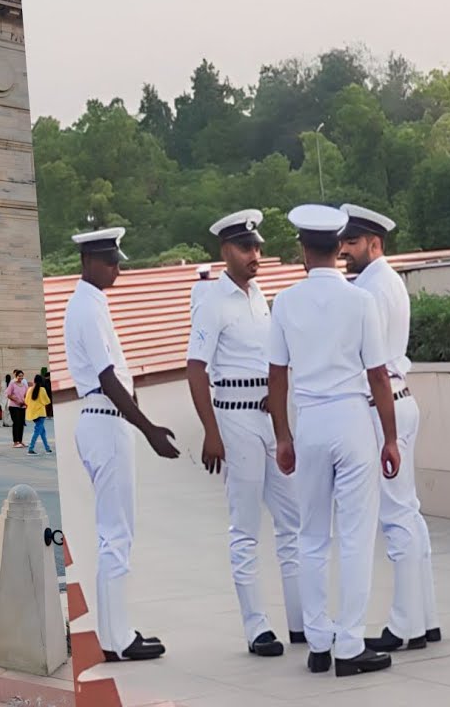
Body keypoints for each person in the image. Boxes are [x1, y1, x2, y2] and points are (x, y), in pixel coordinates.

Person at [267, 204, 398, 677]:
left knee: (311, 536)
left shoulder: (283, 302)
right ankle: (349, 643)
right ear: (339, 248)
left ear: (303, 249)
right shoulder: (360, 301)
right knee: (357, 536)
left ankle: (319, 641)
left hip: (311, 421)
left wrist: (283, 436)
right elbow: (379, 376)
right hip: (350, 417)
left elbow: (276, 378)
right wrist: (391, 438)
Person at [185, 209, 303, 658]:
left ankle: (300, 620)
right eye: (245, 247)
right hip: (233, 416)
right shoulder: (211, 301)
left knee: (292, 520)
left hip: (268, 417)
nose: (255, 254)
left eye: (257, 246)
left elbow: (274, 363)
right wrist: (210, 431)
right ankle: (257, 627)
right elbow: (196, 370)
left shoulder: (260, 295)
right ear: (225, 252)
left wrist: (284, 428)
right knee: (246, 525)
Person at [63, 226, 179, 662]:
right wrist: (148, 430)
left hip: (104, 422)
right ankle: (116, 640)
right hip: (105, 423)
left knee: (114, 534)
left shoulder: (92, 303)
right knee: (116, 535)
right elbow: (108, 378)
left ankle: (116, 635)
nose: (116, 269)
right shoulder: (86, 308)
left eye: (117, 261)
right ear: (89, 261)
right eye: (110, 262)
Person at [339, 204, 442, 652]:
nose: (344, 251)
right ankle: (424, 615)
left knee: (396, 517)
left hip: (385, 408)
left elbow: (371, 365)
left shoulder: (370, 289)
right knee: (409, 513)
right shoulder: (386, 281)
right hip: (399, 402)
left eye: (352, 242)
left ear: (374, 243)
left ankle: (404, 626)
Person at [25, 374, 52, 455]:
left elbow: (26, 401)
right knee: (37, 431)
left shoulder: (30, 389)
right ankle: (30, 448)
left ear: (34, 381)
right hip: (40, 413)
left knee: (42, 431)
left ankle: (47, 448)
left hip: (33, 413)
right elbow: (47, 401)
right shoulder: (42, 390)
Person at [5, 369, 28, 448]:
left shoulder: (24, 385)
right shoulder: (12, 384)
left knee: (21, 423)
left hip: (22, 406)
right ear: (16, 376)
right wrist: (17, 401)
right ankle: (15, 442)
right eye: (19, 376)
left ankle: (20, 441)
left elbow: (26, 396)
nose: (20, 377)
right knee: (16, 423)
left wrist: (25, 403)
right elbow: (8, 395)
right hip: (14, 406)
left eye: (22, 376)